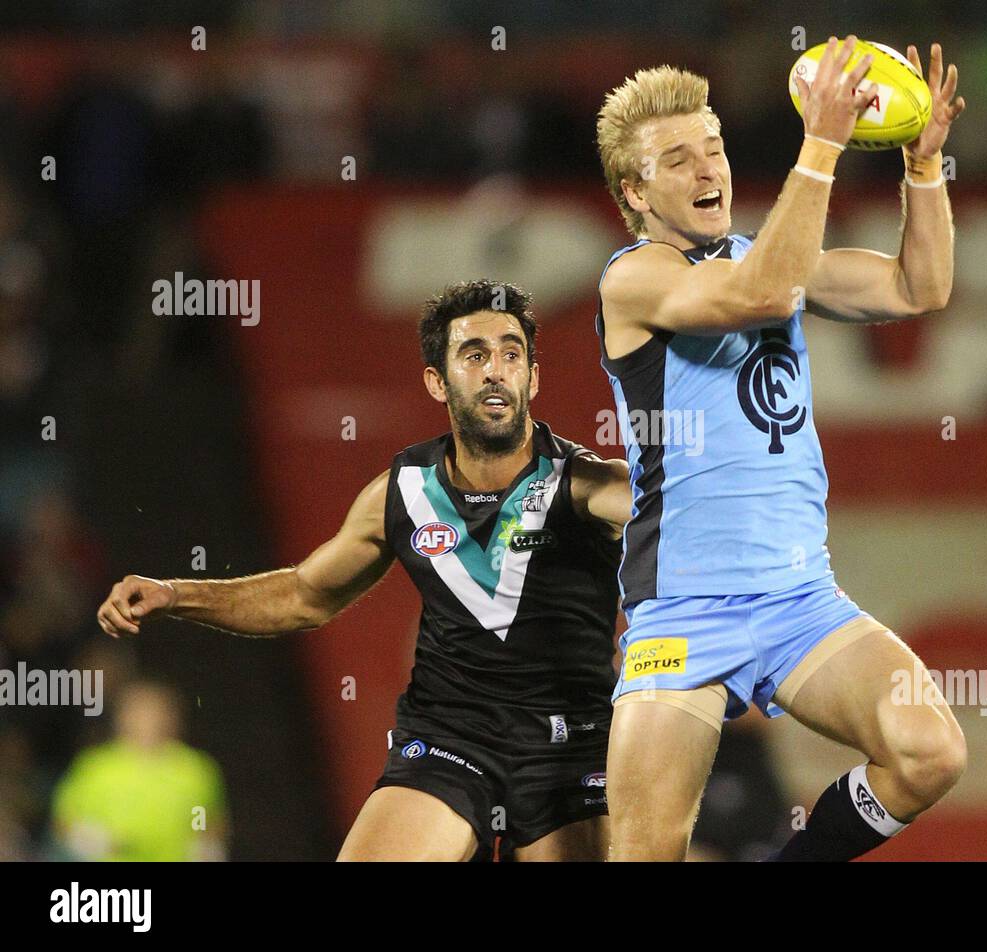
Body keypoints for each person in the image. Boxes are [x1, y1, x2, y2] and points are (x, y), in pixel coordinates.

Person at [97, 280, 632, 861]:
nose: (496, 370)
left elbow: (700, 522)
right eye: (474, 355)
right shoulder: (402, 493)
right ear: (437, 381)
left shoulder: (590, 486)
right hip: (450, 742)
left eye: (511, 353)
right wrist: (175, 594)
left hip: (571, 748)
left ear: (533, 377)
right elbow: (305, 595)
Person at [593, 37, 969, 860]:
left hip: (798, 598)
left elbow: (920, 287)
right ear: (635, 190)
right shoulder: (633, 278)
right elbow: (758, 293)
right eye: (678, 159)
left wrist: (923, 169)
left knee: (929, 751)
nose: (707, 172)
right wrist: (824, 144)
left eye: (716, 149)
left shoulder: (768, 256)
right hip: (685, 609)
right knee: (645, 850)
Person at [51, 680, 228, 861]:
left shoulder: (196, 770)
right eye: (138, 711)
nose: (147, 720)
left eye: (155, 711)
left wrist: (205, 849)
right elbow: (64, 821)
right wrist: (92, 840)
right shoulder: (94, 767)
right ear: (121, 716)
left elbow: (210, 821)